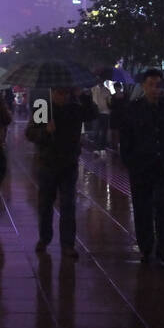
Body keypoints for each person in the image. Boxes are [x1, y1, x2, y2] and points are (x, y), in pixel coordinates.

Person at [25, 85, 97, 259]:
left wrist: (85, 95)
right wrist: (45, 132)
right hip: (47, 163)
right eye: (58, 92)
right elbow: (31, 133)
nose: (62, 96)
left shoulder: (75, 108)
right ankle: (44, 238)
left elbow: (92, 113)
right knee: (45, 204)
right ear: (52, 92)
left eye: (65, 92)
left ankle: (67, 244)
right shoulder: (43, 107)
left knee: (68, 205)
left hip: (68, 163)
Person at [119, 70, 164, 265]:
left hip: (163, 165)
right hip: (141, 166)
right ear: (144, 86)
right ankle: (146, 246)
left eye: (158, 84)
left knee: (163, 206)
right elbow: (126, 138)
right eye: (151, 84)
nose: (155, 89)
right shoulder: (133, 108)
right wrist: (129, 162)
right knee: (142, 208)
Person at [89, 79, 111, 154]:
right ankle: (96, 148)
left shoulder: (106, 90)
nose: (100, 81)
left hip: (105, 112)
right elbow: (90, 99)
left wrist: (109, 101)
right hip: (95, 112)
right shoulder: (93, 88)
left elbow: (109, 102)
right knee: (96, 131)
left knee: (104, 131)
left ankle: (102, 148)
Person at [108, 83, 128, 156]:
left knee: (120, 131)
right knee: (115, 131)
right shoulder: (113, 96)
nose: (117, 89)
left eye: (117, 87)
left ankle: (119, 146)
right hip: (115, 116)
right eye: (115, 88)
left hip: (121, 116)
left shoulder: (125, 95)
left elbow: (127, 105)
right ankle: (115, 147)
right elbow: (111, 106)